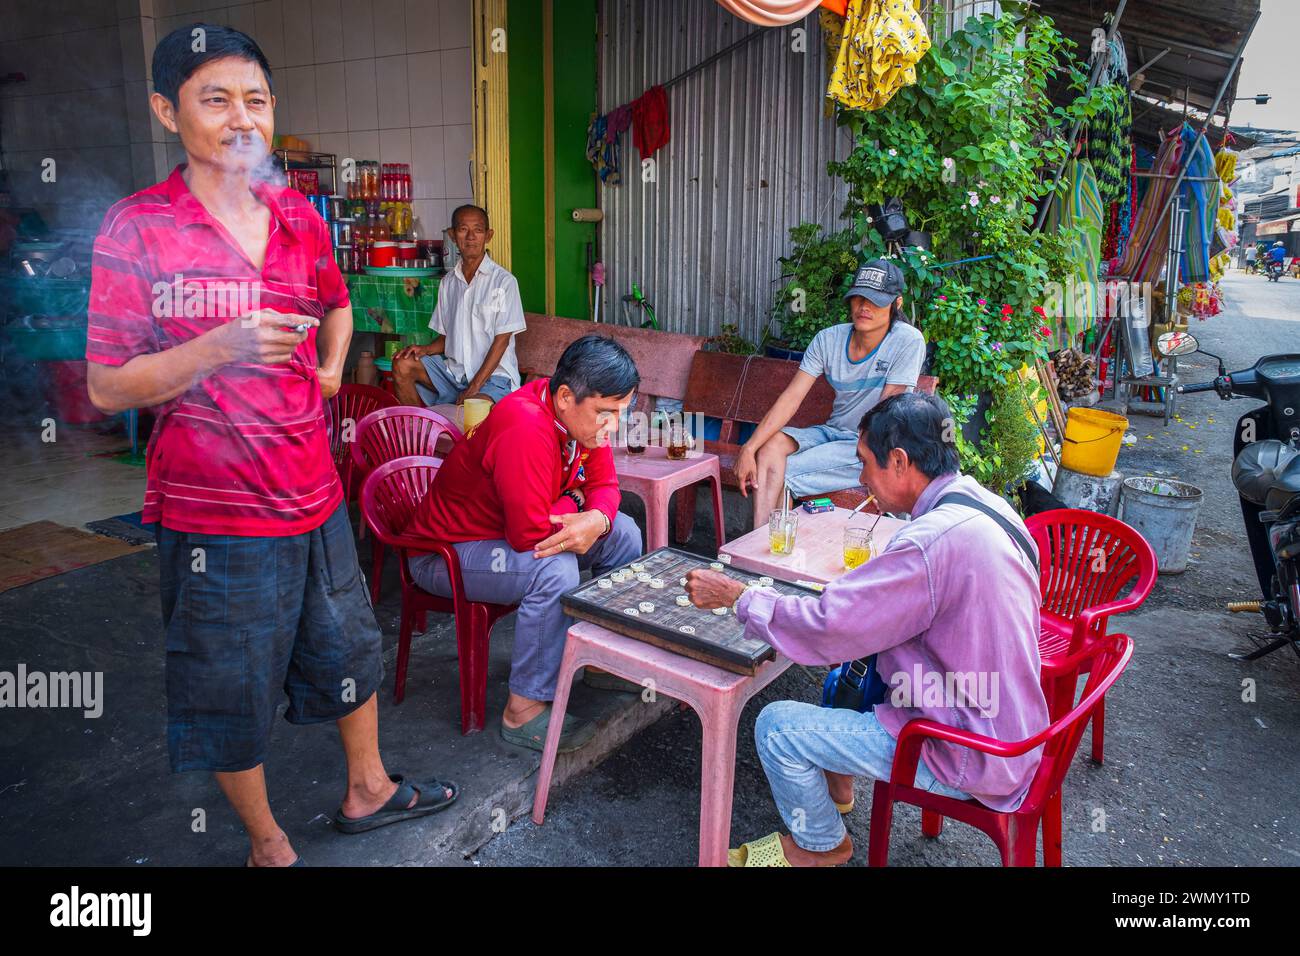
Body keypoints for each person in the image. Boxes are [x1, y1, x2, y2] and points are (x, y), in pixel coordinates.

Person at [85, 24, 456, 867]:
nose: (241, 118)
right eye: (215, 99)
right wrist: (218, 346)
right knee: (229, 683)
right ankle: (269, 844)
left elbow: (335, 303)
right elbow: (107, 385)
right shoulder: (137, 229)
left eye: (255, 98)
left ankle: (368, 788)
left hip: (313, 489)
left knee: (348, 648)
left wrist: (330, 365)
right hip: (215, 512)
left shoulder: (296, 216)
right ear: (165, 111)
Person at [685, 393, 1049, 867]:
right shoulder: (989, 506)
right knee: (857, 672)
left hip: (964, 749)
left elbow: (828, 627)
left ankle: (821, 844)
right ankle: (838, 782)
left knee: (774, 727)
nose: (860, 478)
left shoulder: (929, 543)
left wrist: (737, 596)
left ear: (899, 462)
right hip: (1018, 732)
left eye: (864, 463)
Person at [405, 335, 644, 752]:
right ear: (567, 397)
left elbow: (606, 486)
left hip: (502, 536)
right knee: (553, 568)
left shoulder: (579, 422)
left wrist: (599, 517)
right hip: (443, 555)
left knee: (624, 534)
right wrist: (576, 502)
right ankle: (523, 710)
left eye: (620, 414)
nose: (613, 426)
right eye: (606, 413)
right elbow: (528, 533)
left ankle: (601, 661)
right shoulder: (526, 424)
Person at [734, 258, 926, 529]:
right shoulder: (828, 339)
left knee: (782, 472)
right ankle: (758, 551)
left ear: (897, 303)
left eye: (875, 300)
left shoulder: (907, 340)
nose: (864, 307)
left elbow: (886, 414)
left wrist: (862, 452)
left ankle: (772, 557)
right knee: (769, 449)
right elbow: (791, 398)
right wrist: (748, 447)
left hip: (872, 443)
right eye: (858, 297)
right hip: (833, 433)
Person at [391, 205, 526, 408]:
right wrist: (425, 349)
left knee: (471, 410)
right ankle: (421, 431)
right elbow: (447, 337)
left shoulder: (504, 282)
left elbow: (502, 341)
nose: (471, 236)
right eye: (463, 229)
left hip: (493, 380)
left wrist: (474, 388)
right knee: (402, 365)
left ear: (488, 235)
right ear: (453, 235)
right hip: (454, 375)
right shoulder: (448, 283)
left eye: (478, 230)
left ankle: (449, 424)